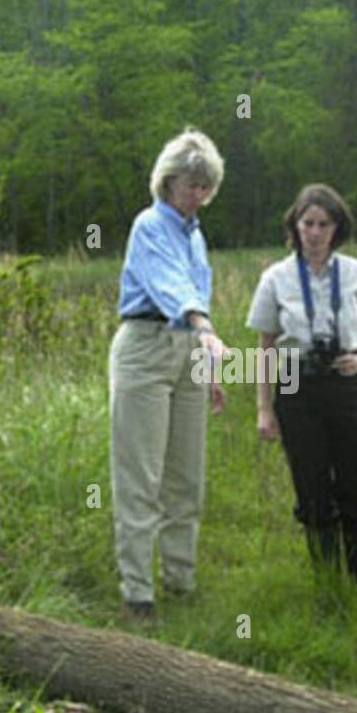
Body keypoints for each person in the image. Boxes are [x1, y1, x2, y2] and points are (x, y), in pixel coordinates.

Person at [109, 127, 227, 620]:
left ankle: (181, 579)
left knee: (186, 475)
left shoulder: (196, 235)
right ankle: (138, 592)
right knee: (142, 475)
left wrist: (209, 365)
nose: (196, 194)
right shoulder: (149, 227)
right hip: (145, 348)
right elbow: (170, 286)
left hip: (188, 354)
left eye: (204, 186)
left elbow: (196, 288)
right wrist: (203, 326)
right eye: (189, 183)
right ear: (168, 180)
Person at [247, 184, 357, 596]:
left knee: (356, 488)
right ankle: (328, 587)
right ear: (295, 224)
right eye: (307, 223)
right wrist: (264, 409)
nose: (314, 232)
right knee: (312, 491)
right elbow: (266, 346)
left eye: (324, 224)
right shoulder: (275, 277)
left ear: (337, 228)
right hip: (295, 382)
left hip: (347, 382)